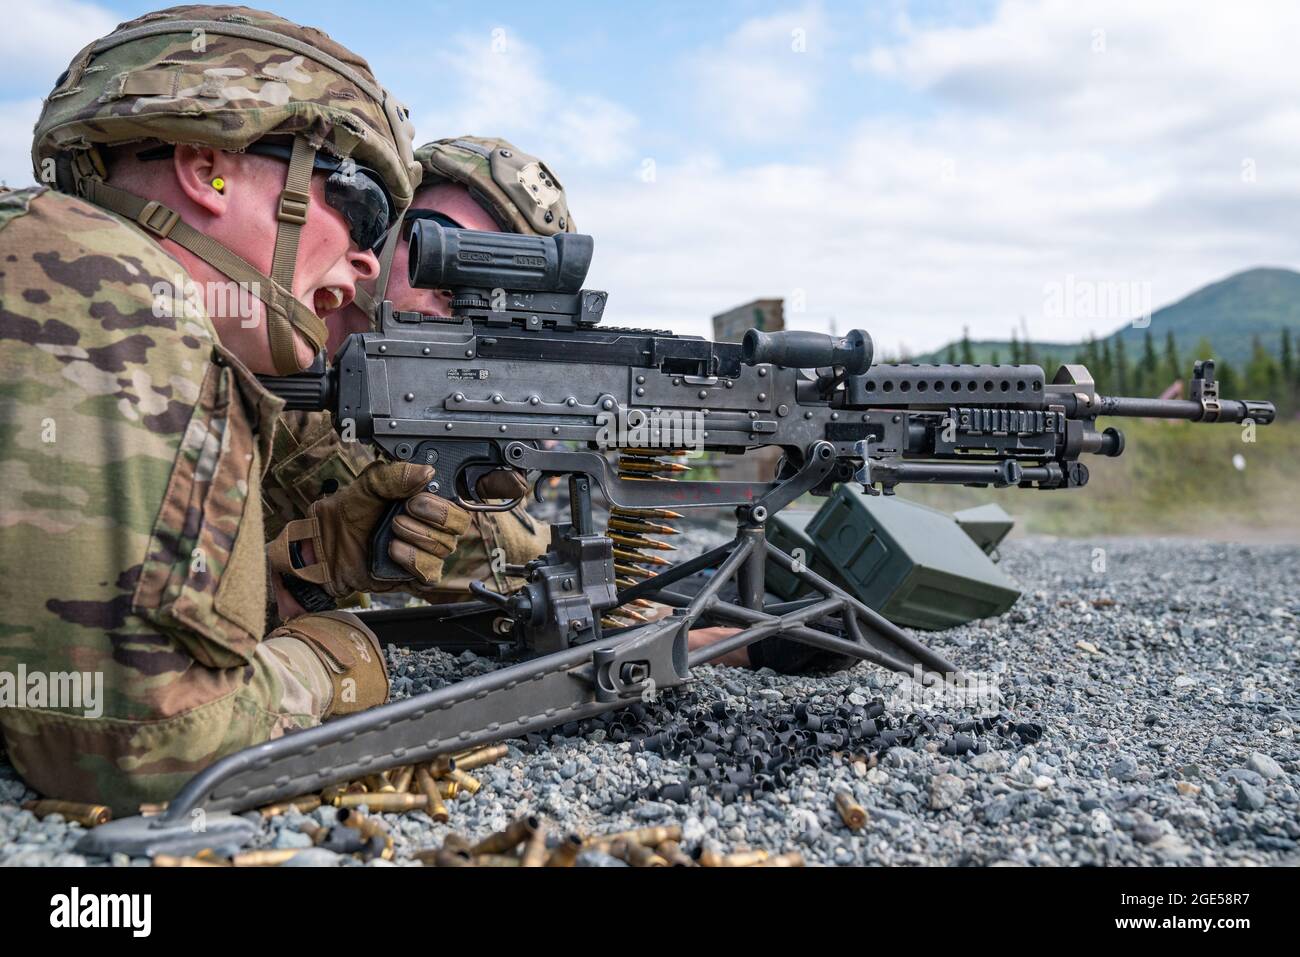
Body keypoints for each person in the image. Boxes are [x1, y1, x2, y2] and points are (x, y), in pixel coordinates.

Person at [0, 4, 470, 814]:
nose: (365, 260)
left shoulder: (58, 256)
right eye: (358, 206)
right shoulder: (102, 282)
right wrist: (330, 659)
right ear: (205, 167)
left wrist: (314, 556)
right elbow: (137, 741)